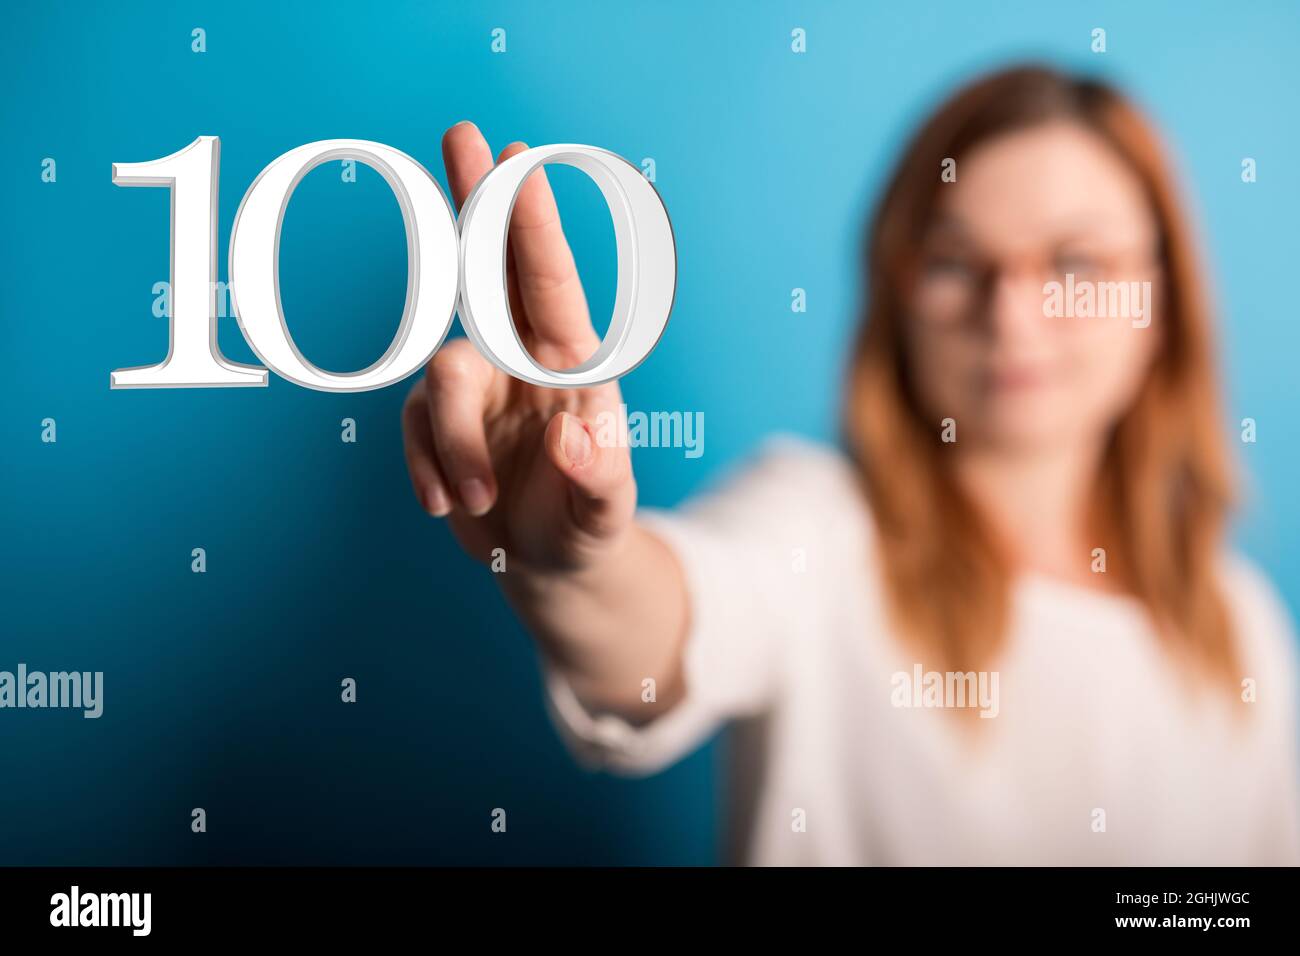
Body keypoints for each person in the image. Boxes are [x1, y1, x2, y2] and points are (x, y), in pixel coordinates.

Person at [400, 65, 1300, 865]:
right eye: (955, 261)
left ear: (1165, 295)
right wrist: (575, 568)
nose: (1013, 316)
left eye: (1074, 261)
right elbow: (670, 615)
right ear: (898, 297)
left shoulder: (1243, 630)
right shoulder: (817, 527)